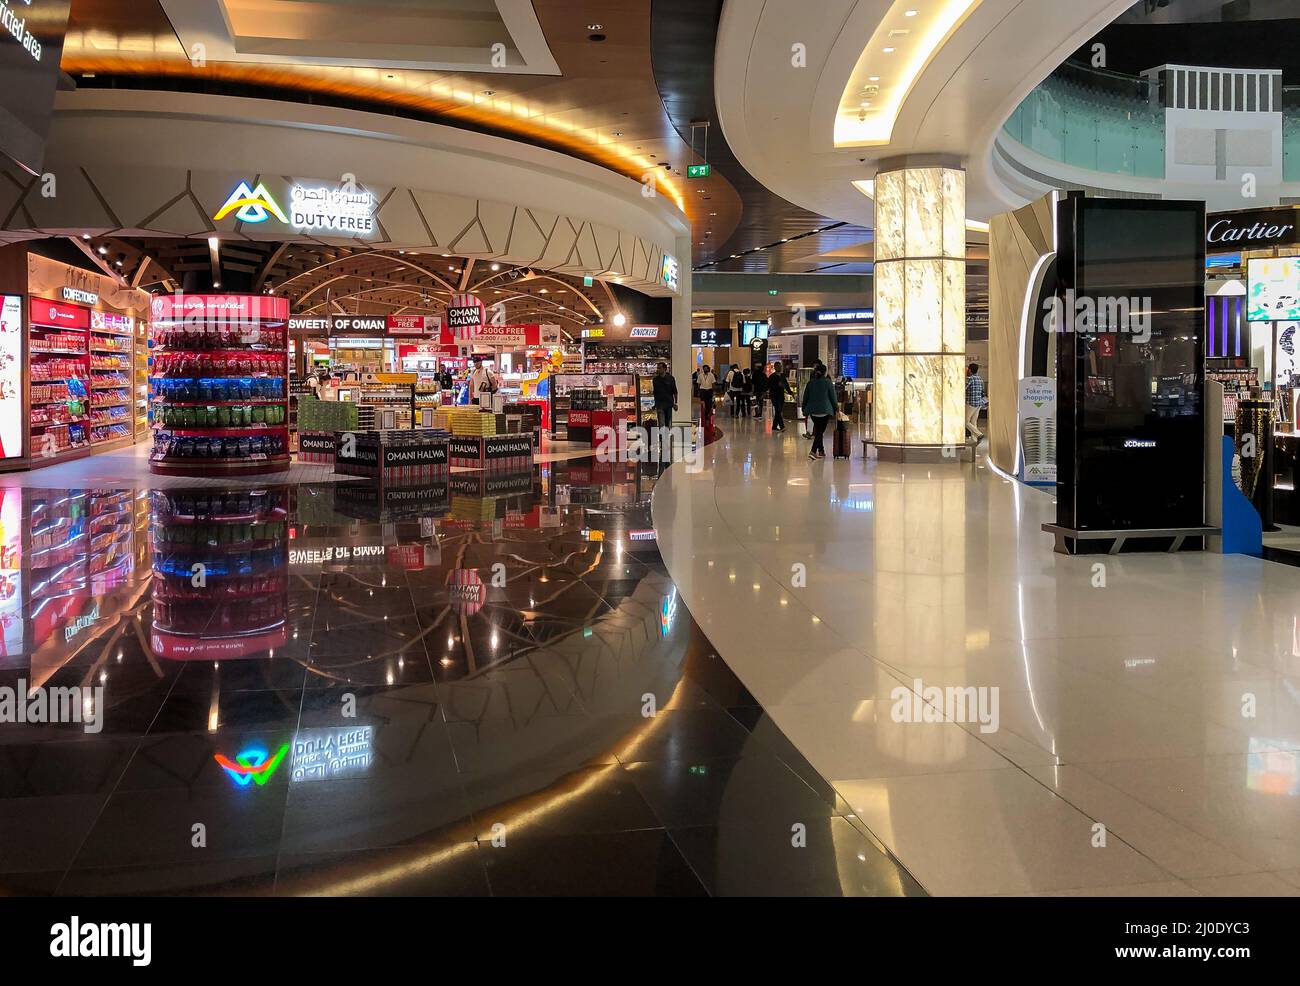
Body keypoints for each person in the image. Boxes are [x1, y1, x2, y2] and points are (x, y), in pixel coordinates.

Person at [802, 364, 838, 460]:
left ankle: (821, 451)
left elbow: (805, 397)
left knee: (818, 430)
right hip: (825, 411)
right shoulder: (828, 382)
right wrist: (836, 409)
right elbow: (833, 398)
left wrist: (803, 408)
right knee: (819, 432)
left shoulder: (811, 383)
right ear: (825, 372)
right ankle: (813, 451)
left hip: (813, 411)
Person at [965, 361, 988, 443]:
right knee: (973, 421)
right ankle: (974, 440)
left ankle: (979, 435)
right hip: (979, 404)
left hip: (971, 403)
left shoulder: (970, 379)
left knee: (965, 421)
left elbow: (963, 388)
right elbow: (982, 392)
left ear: (970, 370)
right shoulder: (980, 379)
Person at [768, 361, 793, 433]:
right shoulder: (772, 376)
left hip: (781, 396)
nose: (779, 368)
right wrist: (777, 386)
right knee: (778, 410)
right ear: (775, 367)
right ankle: (782, 426)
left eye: (780, 366)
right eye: (778, 366)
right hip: (774, 396)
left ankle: (774, 426)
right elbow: (769, 386)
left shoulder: (782, 376)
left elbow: (786, 385)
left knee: (778, 411)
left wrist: (790, 392)